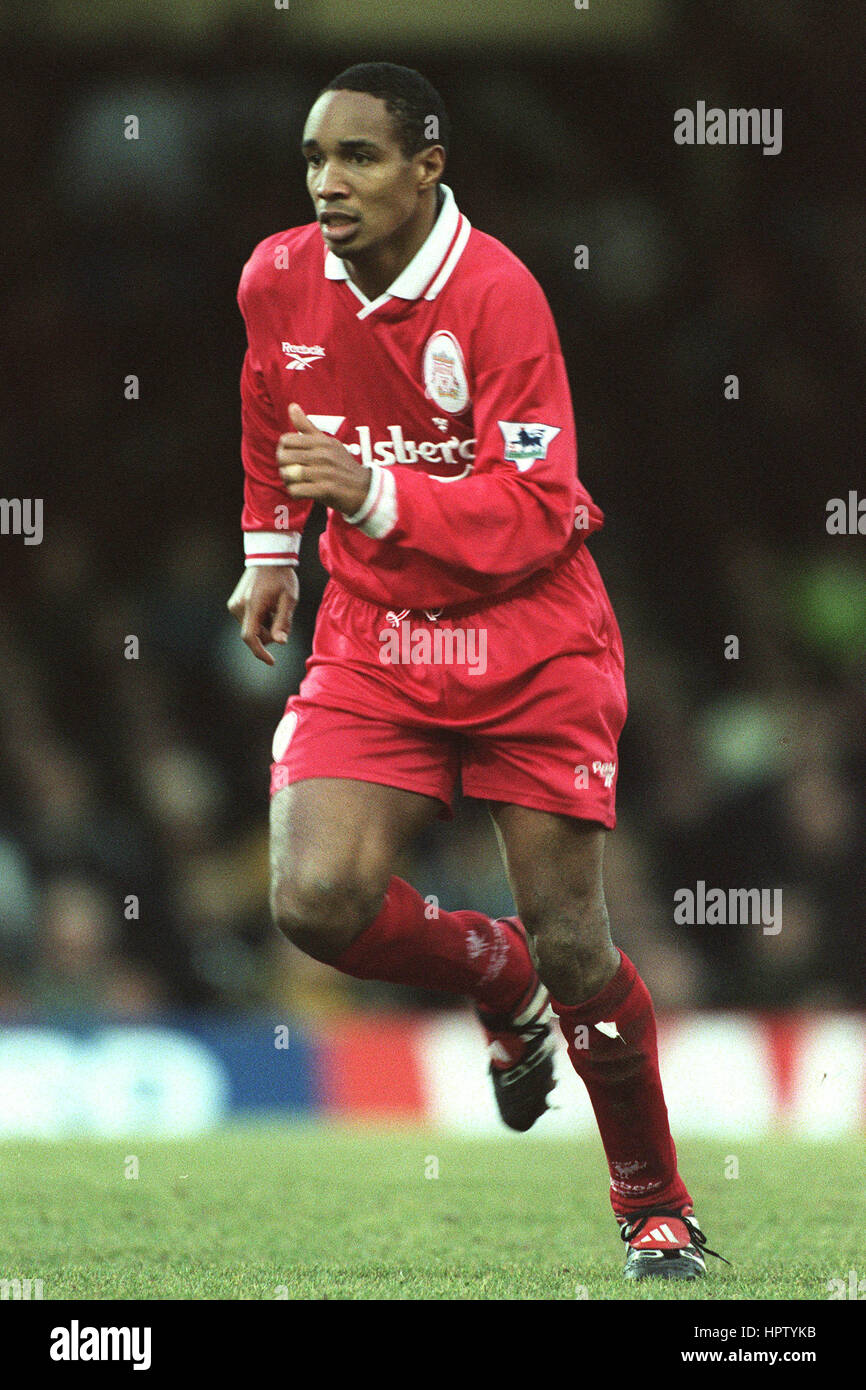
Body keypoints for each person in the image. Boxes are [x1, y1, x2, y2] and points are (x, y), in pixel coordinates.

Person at [227, 62, 725, 1280]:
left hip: (526, 641)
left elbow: (538, 509)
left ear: (426, 168)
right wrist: (269, 549)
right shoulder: (277, 276)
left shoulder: (497, 297)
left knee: (573, 944)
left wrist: (377, 491)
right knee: (312, 901)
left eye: (357, 158)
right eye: (313, 160)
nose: (327, 184)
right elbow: (266, 401)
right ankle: (486, 970)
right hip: (377, 636)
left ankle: (652, 1204)